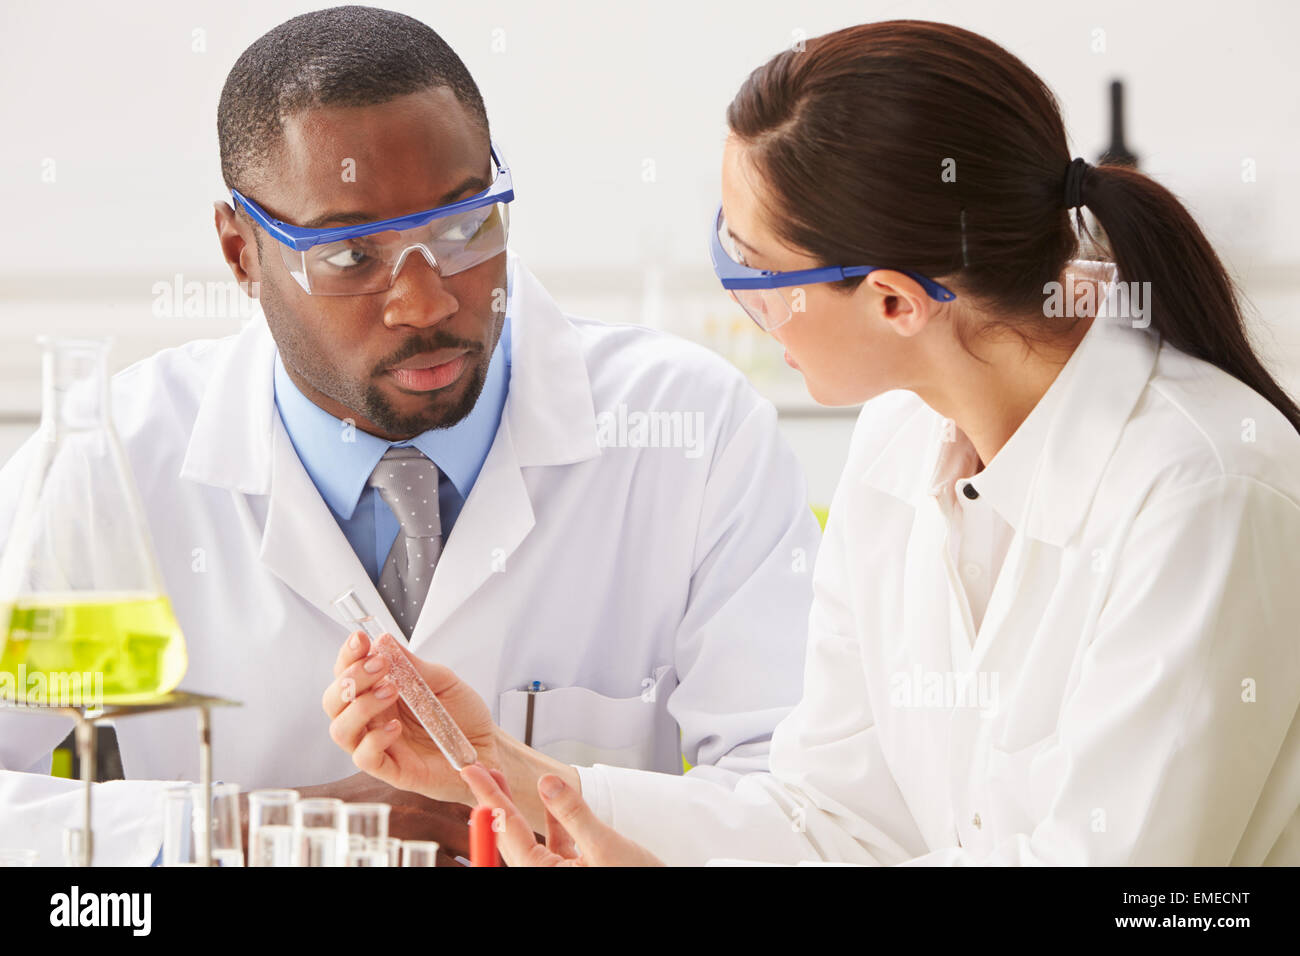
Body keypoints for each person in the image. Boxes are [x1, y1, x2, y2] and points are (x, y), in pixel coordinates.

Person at [325, 20, 1300, 866]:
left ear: (892, 299)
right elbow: (829, 825)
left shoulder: (1203, 489)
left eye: (749, 268)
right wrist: (502, 769)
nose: (742, 309)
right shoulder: (898, 439)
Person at [0, 6, 821, 865]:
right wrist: (261, 831)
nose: (427, 302)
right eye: (352, 256)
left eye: (465, 228)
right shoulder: (117, 460)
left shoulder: (690, 430)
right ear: (240, 251)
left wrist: (546, 799)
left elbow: (803, 818)